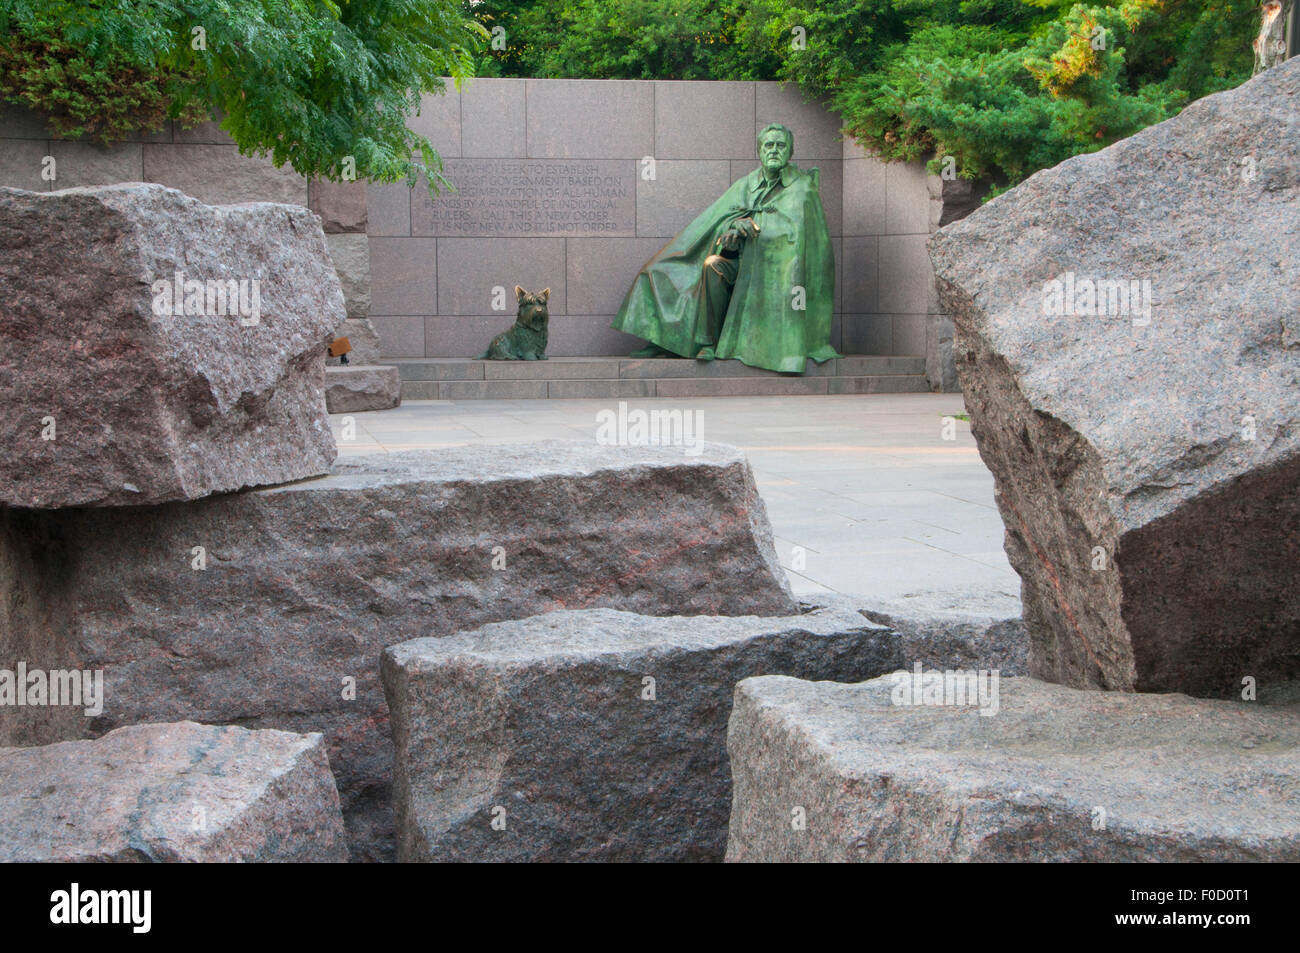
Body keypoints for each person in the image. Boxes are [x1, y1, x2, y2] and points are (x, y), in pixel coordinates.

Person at [611, 122, 838, 374]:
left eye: (780, 145)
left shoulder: (802, 188)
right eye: (768, 145)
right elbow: (717, 221)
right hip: (739, 263)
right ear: (759, 151)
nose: (774, 150)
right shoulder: (745, 184)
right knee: (679, 268)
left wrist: (760, 232)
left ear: (790, 152)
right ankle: (691, 341)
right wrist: (732, 230)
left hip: (775, 271)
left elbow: (804, 241)